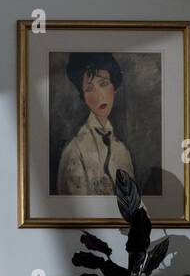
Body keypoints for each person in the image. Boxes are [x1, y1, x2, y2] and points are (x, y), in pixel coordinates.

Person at [56, 52, 135, 196]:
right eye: (89, 89)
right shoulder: (75, 151)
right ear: (83, 97)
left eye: (104, 84)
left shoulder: (122, 151)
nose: (99, 96)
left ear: (114, 87)